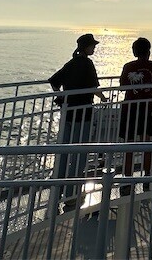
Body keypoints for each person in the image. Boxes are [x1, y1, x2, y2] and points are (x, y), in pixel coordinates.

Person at [49, 34, 107, 202]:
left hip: (68, 113)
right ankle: (72, 193)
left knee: (64, 153)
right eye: (92, 45)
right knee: (79, 154)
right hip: (83, 115)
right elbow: (94, 87)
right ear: (86, 47)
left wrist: (62, 97)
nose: (94, 48)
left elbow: (54, 82)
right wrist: (103, 98)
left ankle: (57, 189)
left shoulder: (71, 63)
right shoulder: (87, 64)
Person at [118, 37, 152, 181]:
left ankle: (127, 176)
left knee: (129, 144)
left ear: (134, 51)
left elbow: (122, 85)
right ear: (149, 51)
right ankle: (147, 175)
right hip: (146, 107)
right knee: (146, 142)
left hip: (129, 107)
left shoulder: (128, 66)